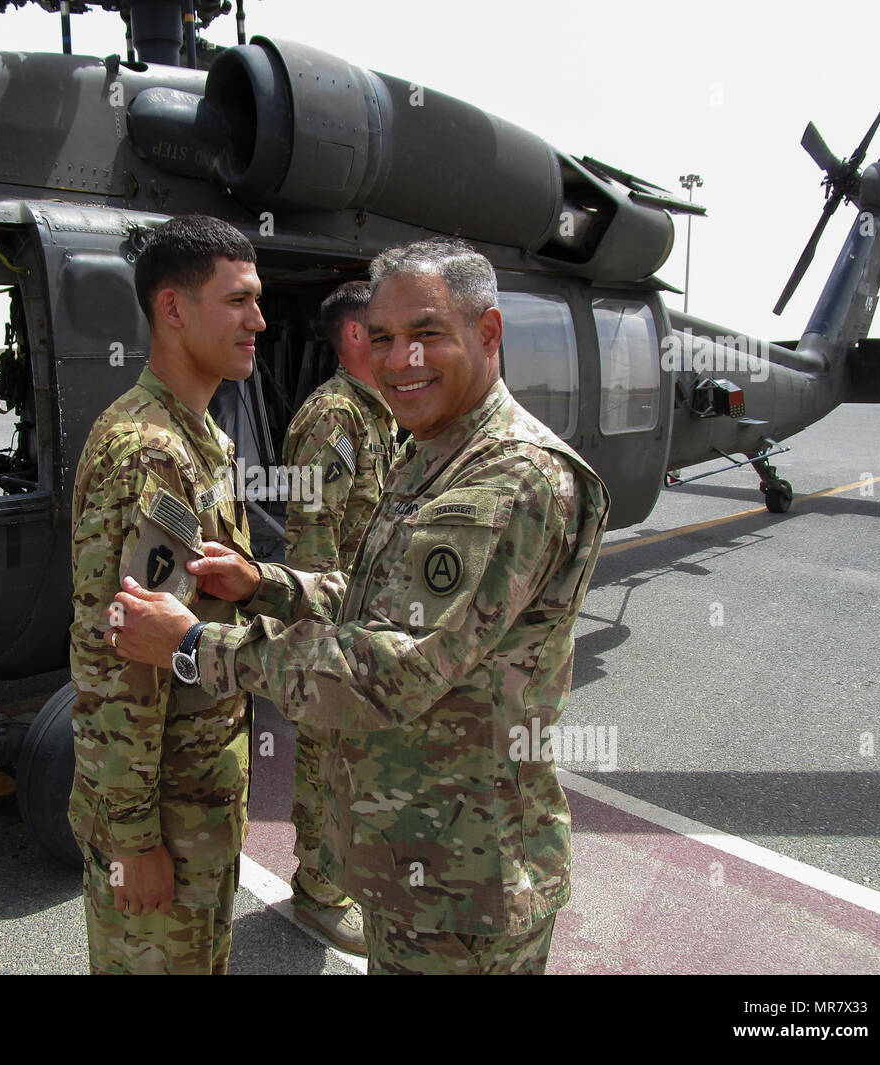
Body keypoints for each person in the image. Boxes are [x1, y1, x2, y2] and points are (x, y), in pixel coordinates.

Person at [107, 239, 609, 974]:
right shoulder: (433, 451)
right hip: (412, 857)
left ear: (488, 332)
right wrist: (264, 584)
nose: (402, 360)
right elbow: (380, 599)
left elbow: (386, 670)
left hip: (461, 886)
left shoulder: (506, 482)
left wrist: (192, 646)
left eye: (427, 334)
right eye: (383, 339)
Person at [67, 214, 264, 974]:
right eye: (238, 300)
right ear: (173, 310)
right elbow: (123, 655)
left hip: (201, 806)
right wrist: (134, 838)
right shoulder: (150, 450)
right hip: (165, 822)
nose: (259, 320)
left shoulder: (199, 435)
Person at [280, 280, 395, 954]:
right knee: (329, 761)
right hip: (338, 631)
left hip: (368, 624)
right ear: (355, 336)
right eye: (384, 331)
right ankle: (319, 895)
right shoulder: (335, 419)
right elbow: (313, 537)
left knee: (355, 764)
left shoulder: (373, 413)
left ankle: (340, 877)